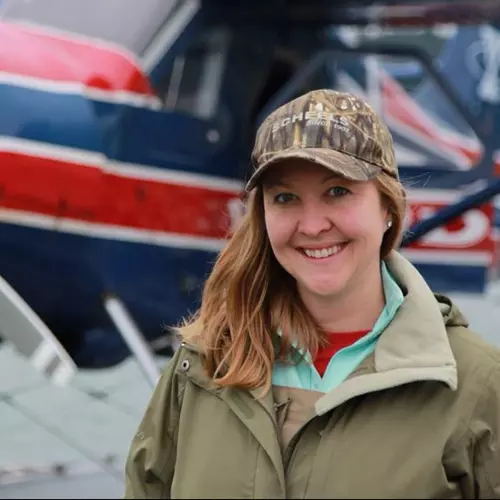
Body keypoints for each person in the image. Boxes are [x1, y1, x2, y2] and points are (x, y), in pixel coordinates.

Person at [124, 89, 500, 499]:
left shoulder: (477, 384)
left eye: (338, 191)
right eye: (285, 198)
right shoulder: (200, 365)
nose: (313, 224)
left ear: (388, 206)